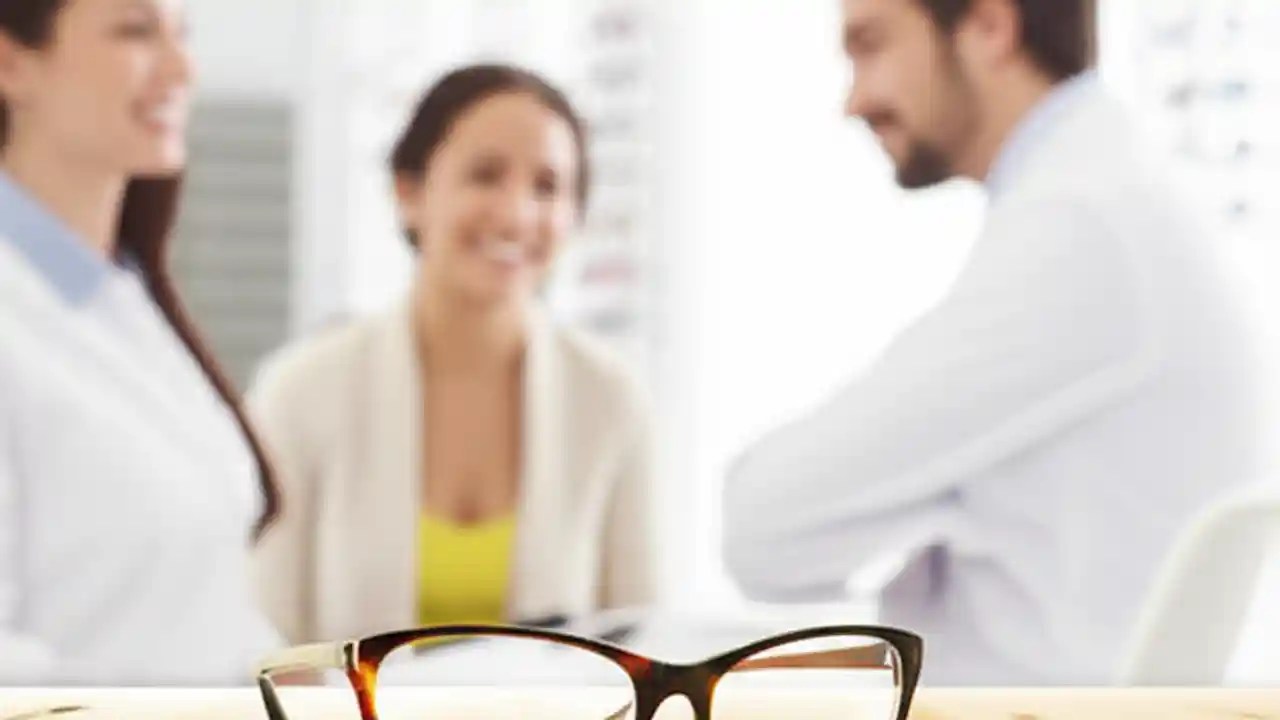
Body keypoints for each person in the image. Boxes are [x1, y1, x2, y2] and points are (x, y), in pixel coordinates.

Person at [723, 0, 1270, 685]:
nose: (853, 100)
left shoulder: (1083, 230)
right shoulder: (1107, 198)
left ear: (989, 26)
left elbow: (762, 528)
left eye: (872, 45)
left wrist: (926, 498)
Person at [250, 64, 658, 644]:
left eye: (547, 187)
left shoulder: (612, 400)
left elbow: (642, 647)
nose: (517, 213)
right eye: (485, 176)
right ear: (409, 192)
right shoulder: (299, 393)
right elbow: (265, 647)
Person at [0, 0, 280, 685]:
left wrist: (290, 675)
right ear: (10, 62)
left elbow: (194, 599)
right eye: (136, 32)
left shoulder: (123, 296)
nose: (182, 68)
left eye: (183, 36)